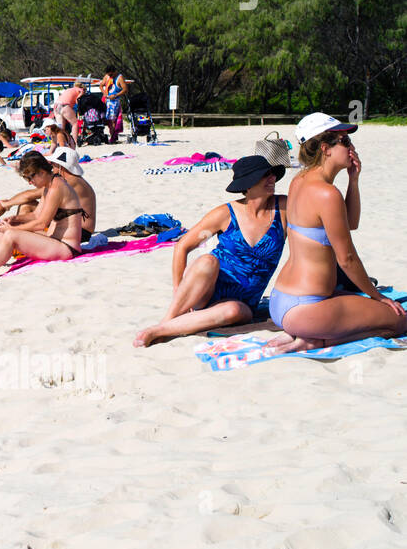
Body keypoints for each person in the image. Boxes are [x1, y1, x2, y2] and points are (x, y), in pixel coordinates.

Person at [266, 113, 407, 353]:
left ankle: (308, 334)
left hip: (280, 301)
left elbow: (350, 223)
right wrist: (378, 297)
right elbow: (347, 259)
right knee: (400, 320)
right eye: (344, 141)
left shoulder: (299, 181)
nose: (352, 147)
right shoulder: (326, 194)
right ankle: (317, 341)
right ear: (325, 148)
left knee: (371, 308)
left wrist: (354, 180)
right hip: (306, 309)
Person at [134, 156, 288, 347]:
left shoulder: (283, 208)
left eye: (272, 174)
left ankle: (163, 328)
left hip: (242, 304)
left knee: (236, 312)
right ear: (247, 185)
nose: (272, 178)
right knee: (208, 260)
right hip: (206, 289)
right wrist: (178, 289)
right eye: (265, 175)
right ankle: (167, 322)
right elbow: (183, 246)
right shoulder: (225, 213)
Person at [0, 151, 84, 280]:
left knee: (10, 234)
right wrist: (14, 219)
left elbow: (41, 223)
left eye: (30, 177)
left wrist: (12, 229)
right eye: (26, 178)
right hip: (54, 240)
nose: (29, 182)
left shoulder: (57, 187)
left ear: (42, 172)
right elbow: (36, 214)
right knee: (9, 228)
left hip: (67, 247)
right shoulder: (49, 185)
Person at [0, 147, 95, 238]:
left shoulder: (69, 180)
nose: (50, 167)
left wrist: (6, 204)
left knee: (24, 213)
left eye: (53, 164)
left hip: (81, 230)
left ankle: (17, 245)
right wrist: (14, 218)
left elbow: (30, 194)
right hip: (67, 224)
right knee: (26, 206)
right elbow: (36, 210)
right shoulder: (61, 180)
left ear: (60, 166)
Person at [99, 67, 128, 144]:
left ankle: (113, 137)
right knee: (107, 120)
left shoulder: (120, 77)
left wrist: (116, 95)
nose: (110, 76)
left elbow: (125, 89)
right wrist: (104, 92)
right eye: (109, 75)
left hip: (114, 101)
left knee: (113, 120)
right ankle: (112, 136)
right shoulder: (107, 76)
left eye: (111, 74)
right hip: (106, 100)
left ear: (114, 71)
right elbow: (101, 85)